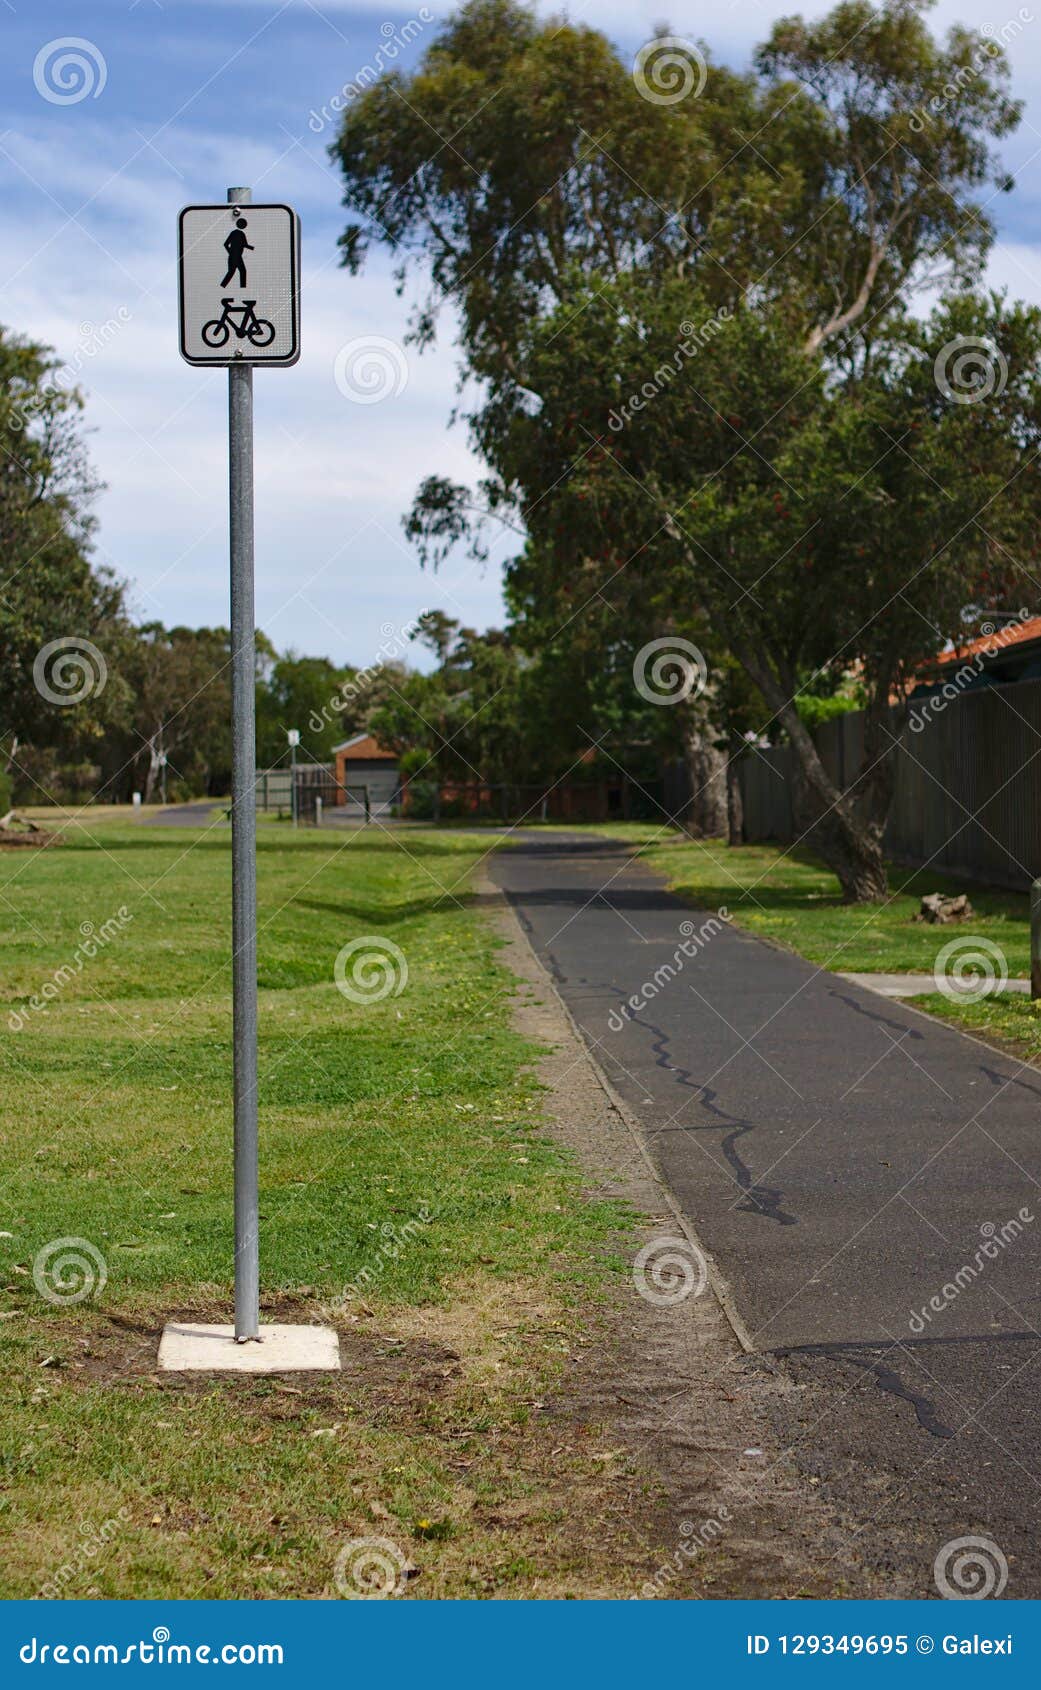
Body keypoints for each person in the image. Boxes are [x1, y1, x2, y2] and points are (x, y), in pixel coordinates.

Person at [220, 218, 254, 288]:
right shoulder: (241, 234)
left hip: (233, 257)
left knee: (231, 272)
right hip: (237, 257)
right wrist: (253, 248)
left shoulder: (234, 233)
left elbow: (226, 244)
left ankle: (222, 286)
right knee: (242, 271)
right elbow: (244, 245)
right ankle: (243, 288)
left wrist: (231, 253)